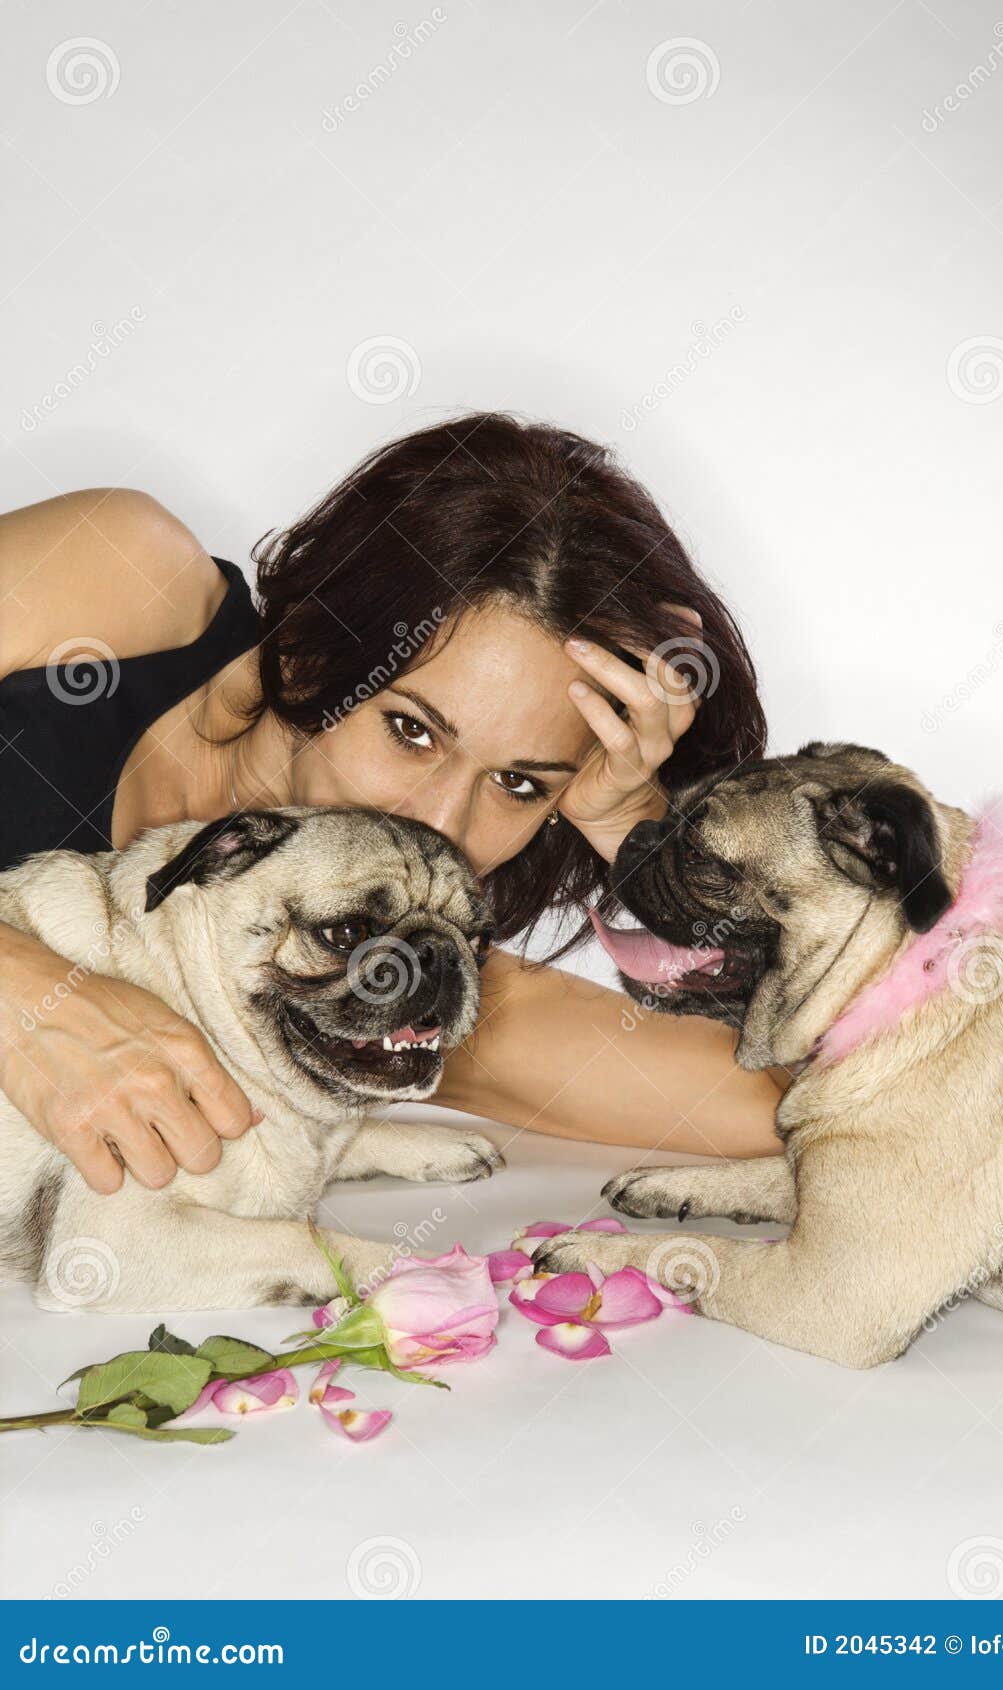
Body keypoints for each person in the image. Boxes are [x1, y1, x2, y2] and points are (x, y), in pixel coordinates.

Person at [0, 411, 785, 1197]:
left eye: (520, 783)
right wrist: (27, 999)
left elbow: (808, 1104)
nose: (442, 826)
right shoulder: (121, 584)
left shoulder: (367, 985)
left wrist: (639, 837)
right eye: (411, 730)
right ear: (311, 645)